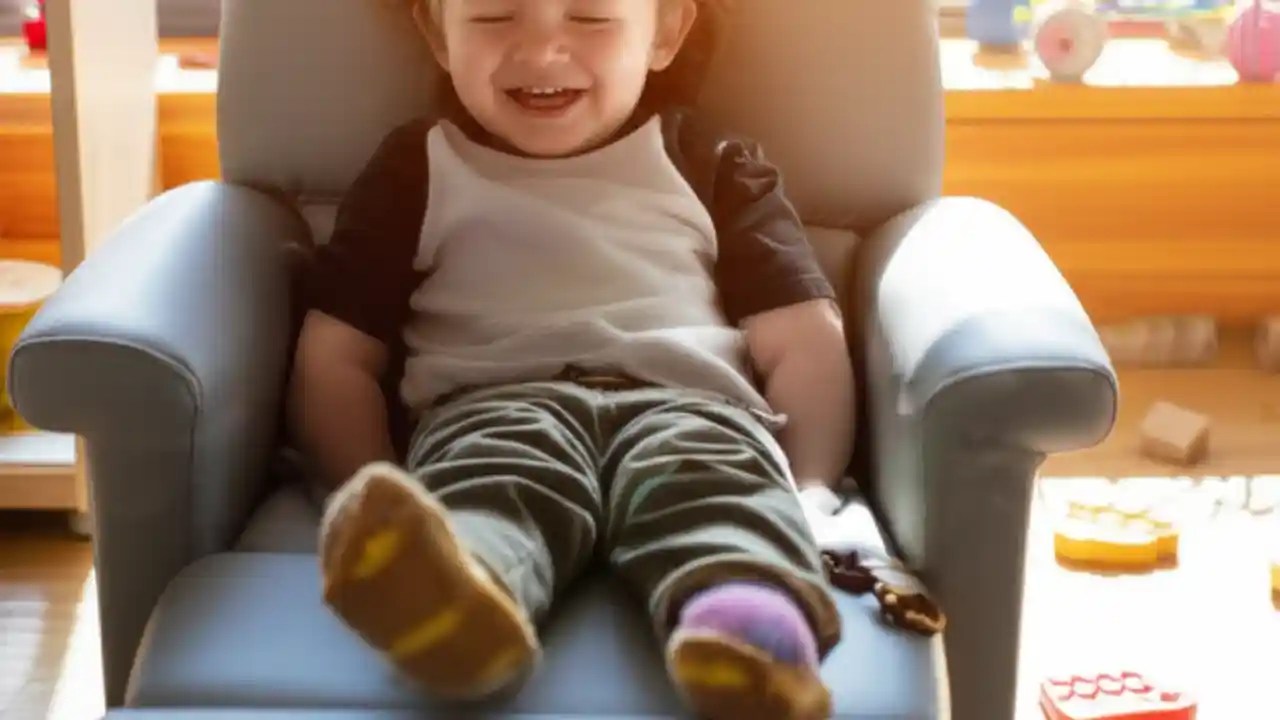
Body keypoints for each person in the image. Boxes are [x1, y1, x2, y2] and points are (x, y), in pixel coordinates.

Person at [288, 1, 855, 718]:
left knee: (715, 492)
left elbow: (803, 337)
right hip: (494, 407)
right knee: (490, 491)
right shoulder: (416, 168)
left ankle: (747, 635)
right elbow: (335, 356)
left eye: (589, 16)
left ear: (667, 31)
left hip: (688, 405)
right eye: (495, 15)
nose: (542, 50)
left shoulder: (710, 162)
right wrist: (366, 487)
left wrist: (810, 489)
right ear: (436, 31)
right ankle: (455, 601)